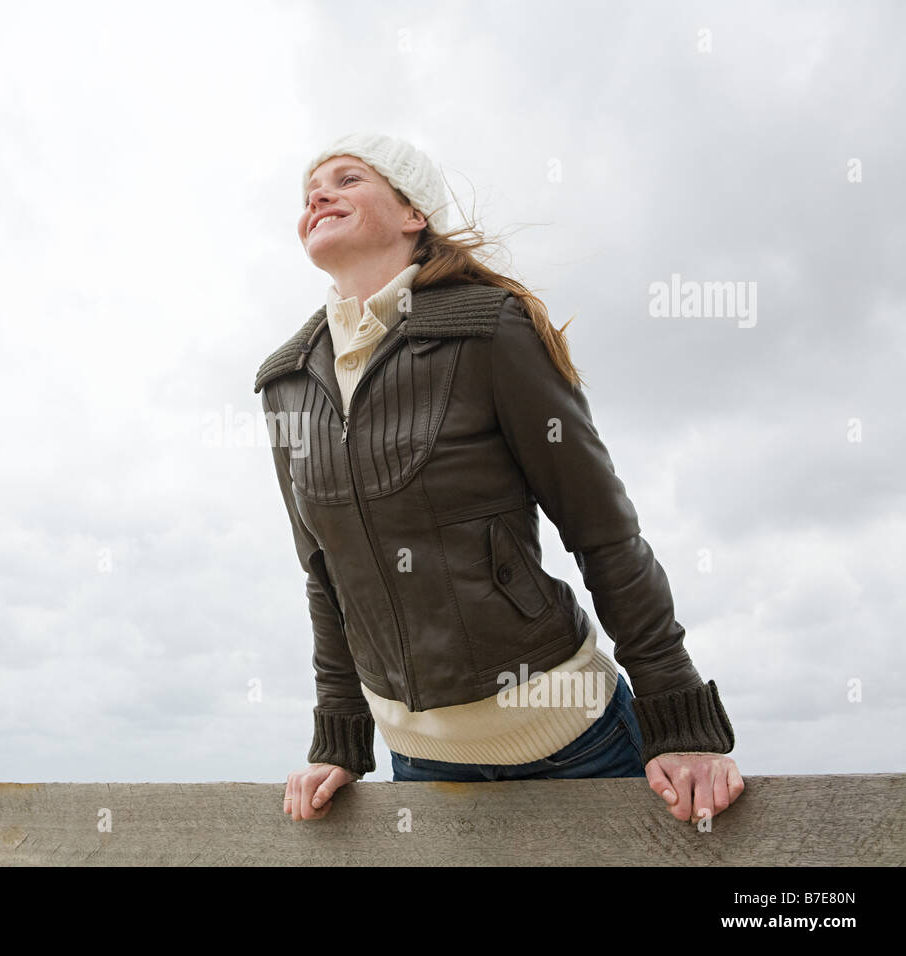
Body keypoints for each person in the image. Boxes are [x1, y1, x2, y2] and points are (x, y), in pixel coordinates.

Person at [255, 133, 743, 824]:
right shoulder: (284, 384)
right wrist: (339, 739)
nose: (319, 196)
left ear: (412, 214)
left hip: (572, 739)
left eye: (348, 179)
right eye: (310, 191)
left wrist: (681, 720)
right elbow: (324, 572)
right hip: (419, 760)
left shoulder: (491, 329)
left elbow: (602, 531)